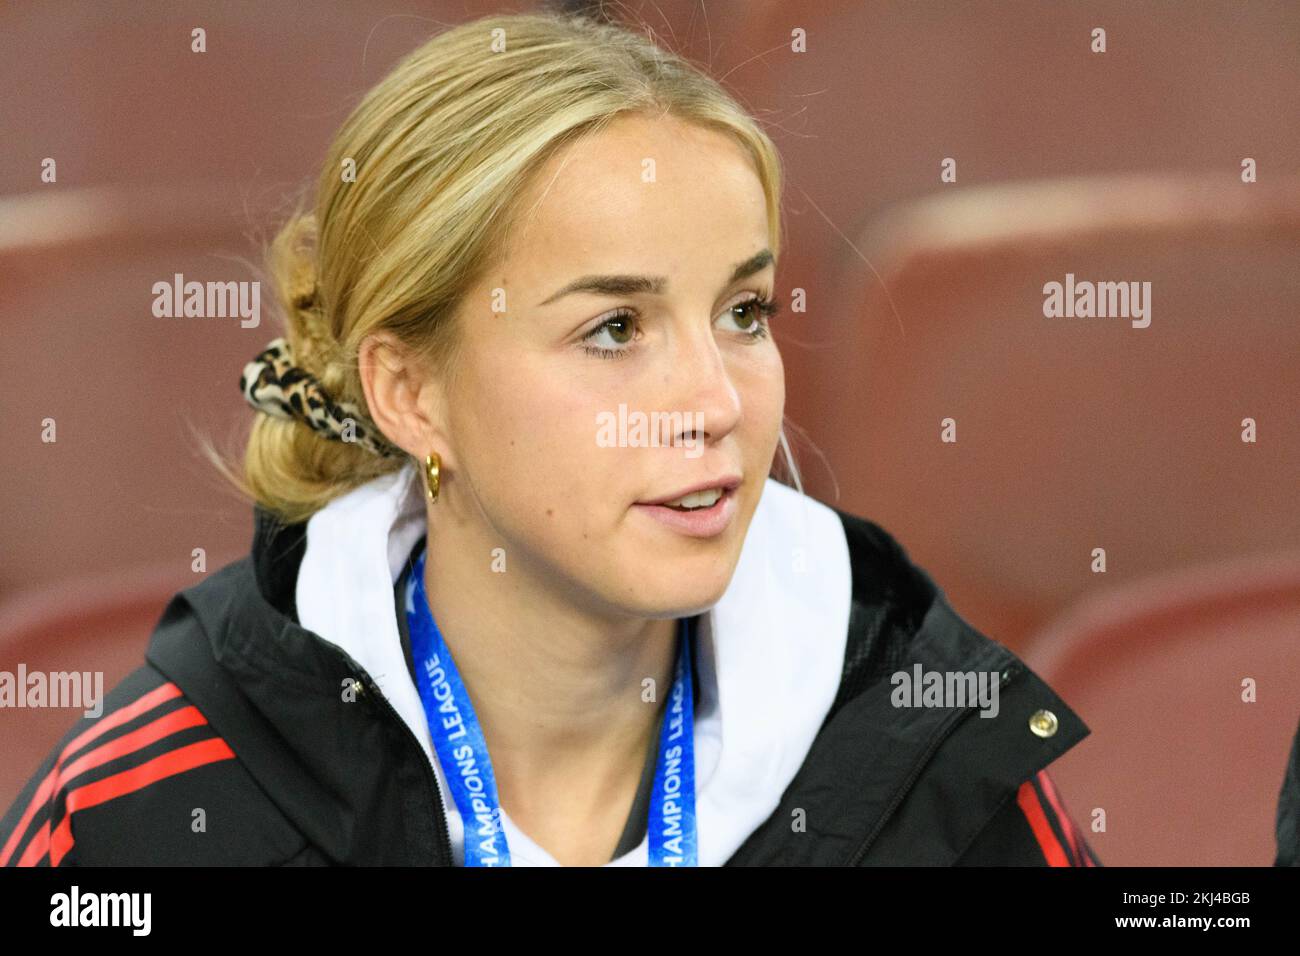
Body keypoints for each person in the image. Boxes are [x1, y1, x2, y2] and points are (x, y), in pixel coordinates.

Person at [1, 10, 1101, 867]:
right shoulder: (143, 811)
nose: (714, 401)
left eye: (744, 312)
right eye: (613, 328)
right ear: (409, 391)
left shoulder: (942, 759)